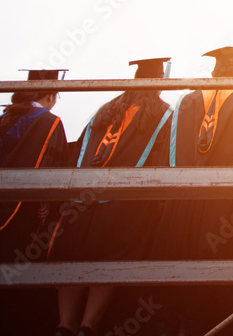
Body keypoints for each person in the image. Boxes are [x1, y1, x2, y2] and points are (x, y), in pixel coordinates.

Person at [48, 59, 173, 336]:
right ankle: (87, 326)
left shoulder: (105, 111)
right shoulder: (163, 114)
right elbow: (164, 161)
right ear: (160, 80)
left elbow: (79, 149)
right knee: (109, 260)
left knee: (73, 258)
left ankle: (64, 325)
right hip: (122, 203)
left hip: (82, 197)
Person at [150, 47, 233, 335]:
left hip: (182, 197)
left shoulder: (187, 99)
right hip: (221, 200)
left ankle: (166, 325)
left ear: (214, 71)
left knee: (174, 259)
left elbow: (168, 149)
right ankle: (197, 325)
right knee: (210, 263)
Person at [0, 69, 69, 335]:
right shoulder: (49, 122)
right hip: (19, 211)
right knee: (3, 276)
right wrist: (47, 202)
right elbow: (54, 167)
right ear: (52, 96)